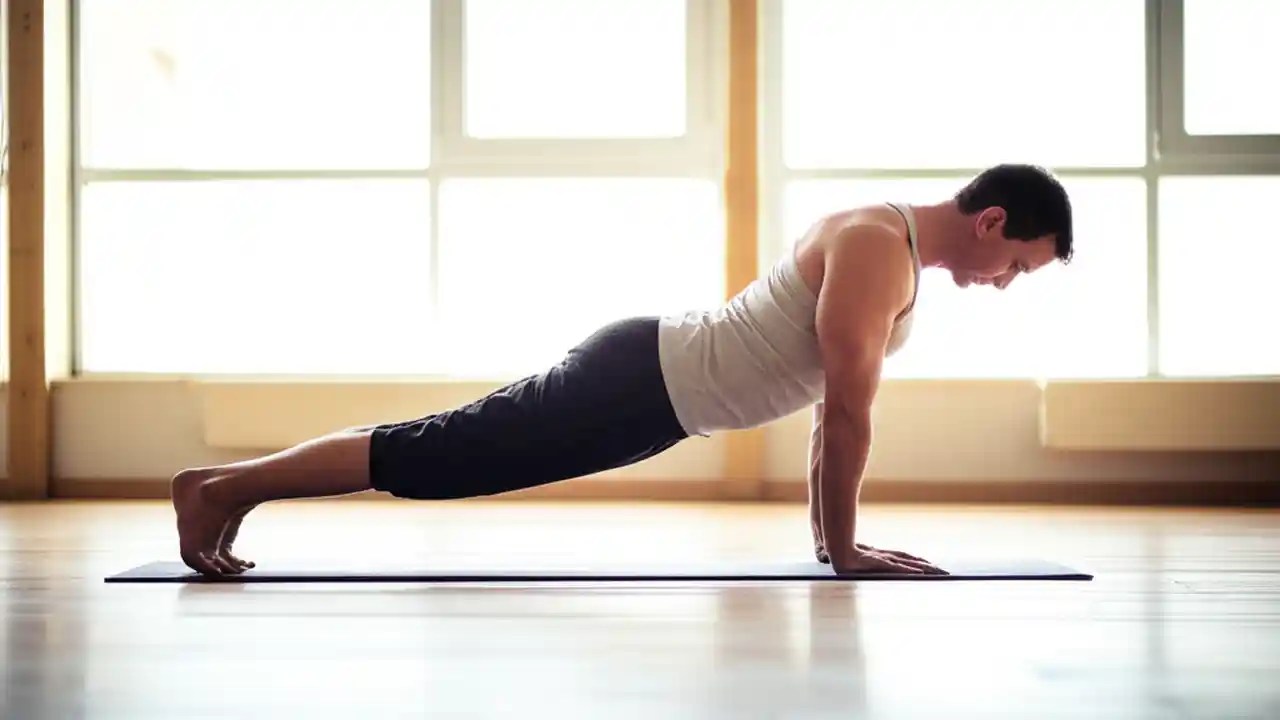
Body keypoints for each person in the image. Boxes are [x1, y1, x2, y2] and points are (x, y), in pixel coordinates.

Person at [171, 163, 1073, 578]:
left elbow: (825, 411)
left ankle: (229, 490)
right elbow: (843, 415)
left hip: (652, 394)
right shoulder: (879, 248)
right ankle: (219, 490)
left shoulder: (889, 246)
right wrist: (845, 552)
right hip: (640, 380)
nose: (1005, 284)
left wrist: (827, 541)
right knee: (434, 456)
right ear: (992, 222)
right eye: (1018, 266)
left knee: (439, 454)